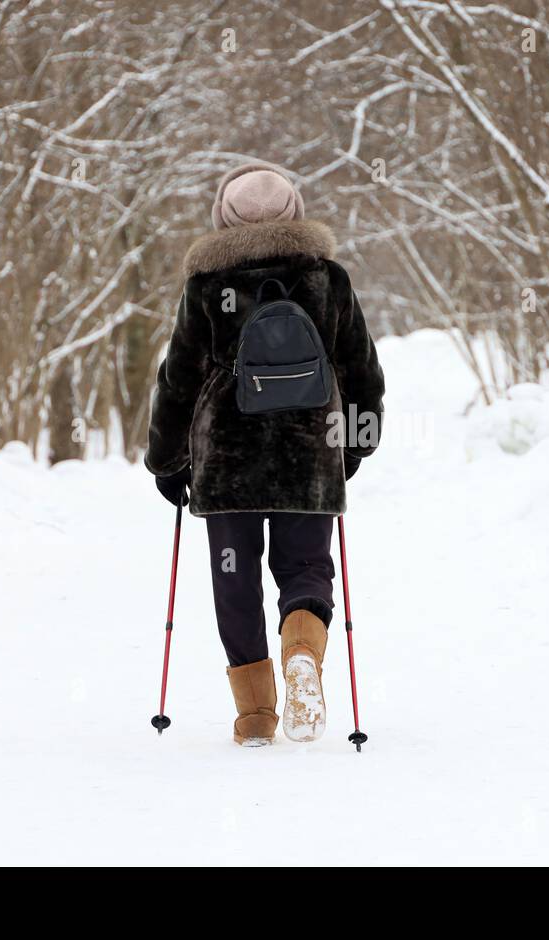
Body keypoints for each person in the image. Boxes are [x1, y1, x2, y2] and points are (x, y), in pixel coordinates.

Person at [145, 160, 385, 746]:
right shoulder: (328, 280)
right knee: (305, 569)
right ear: (295, 211)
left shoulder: (207, 287)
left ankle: (255, 716)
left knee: (236, 581)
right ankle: (302, 649)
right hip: (311, 455)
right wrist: (354, 444)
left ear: (223, 217)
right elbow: (361, 370)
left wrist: (167, 461)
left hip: (226, 463)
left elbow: (178, 377)